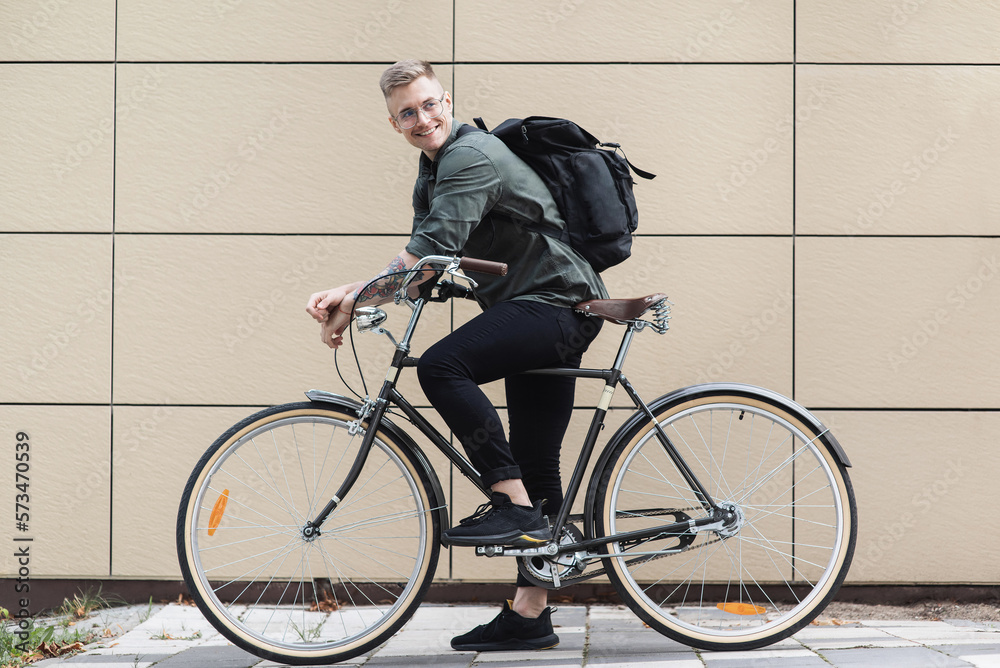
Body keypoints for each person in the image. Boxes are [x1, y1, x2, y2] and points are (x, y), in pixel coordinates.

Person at [305, 59, 607, 652]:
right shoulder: (435, 167)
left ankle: (510, 506)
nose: (424, 119)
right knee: (537, 463)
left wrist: (348, 294)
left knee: (443, 366)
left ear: (448, 100)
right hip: (546, 306)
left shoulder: (469, 156)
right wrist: (361, 293)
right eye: (408, 113)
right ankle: (529, 614)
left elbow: (426, 252)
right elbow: (424, 268)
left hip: (556, 304)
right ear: (394, 124)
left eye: (431, 104)